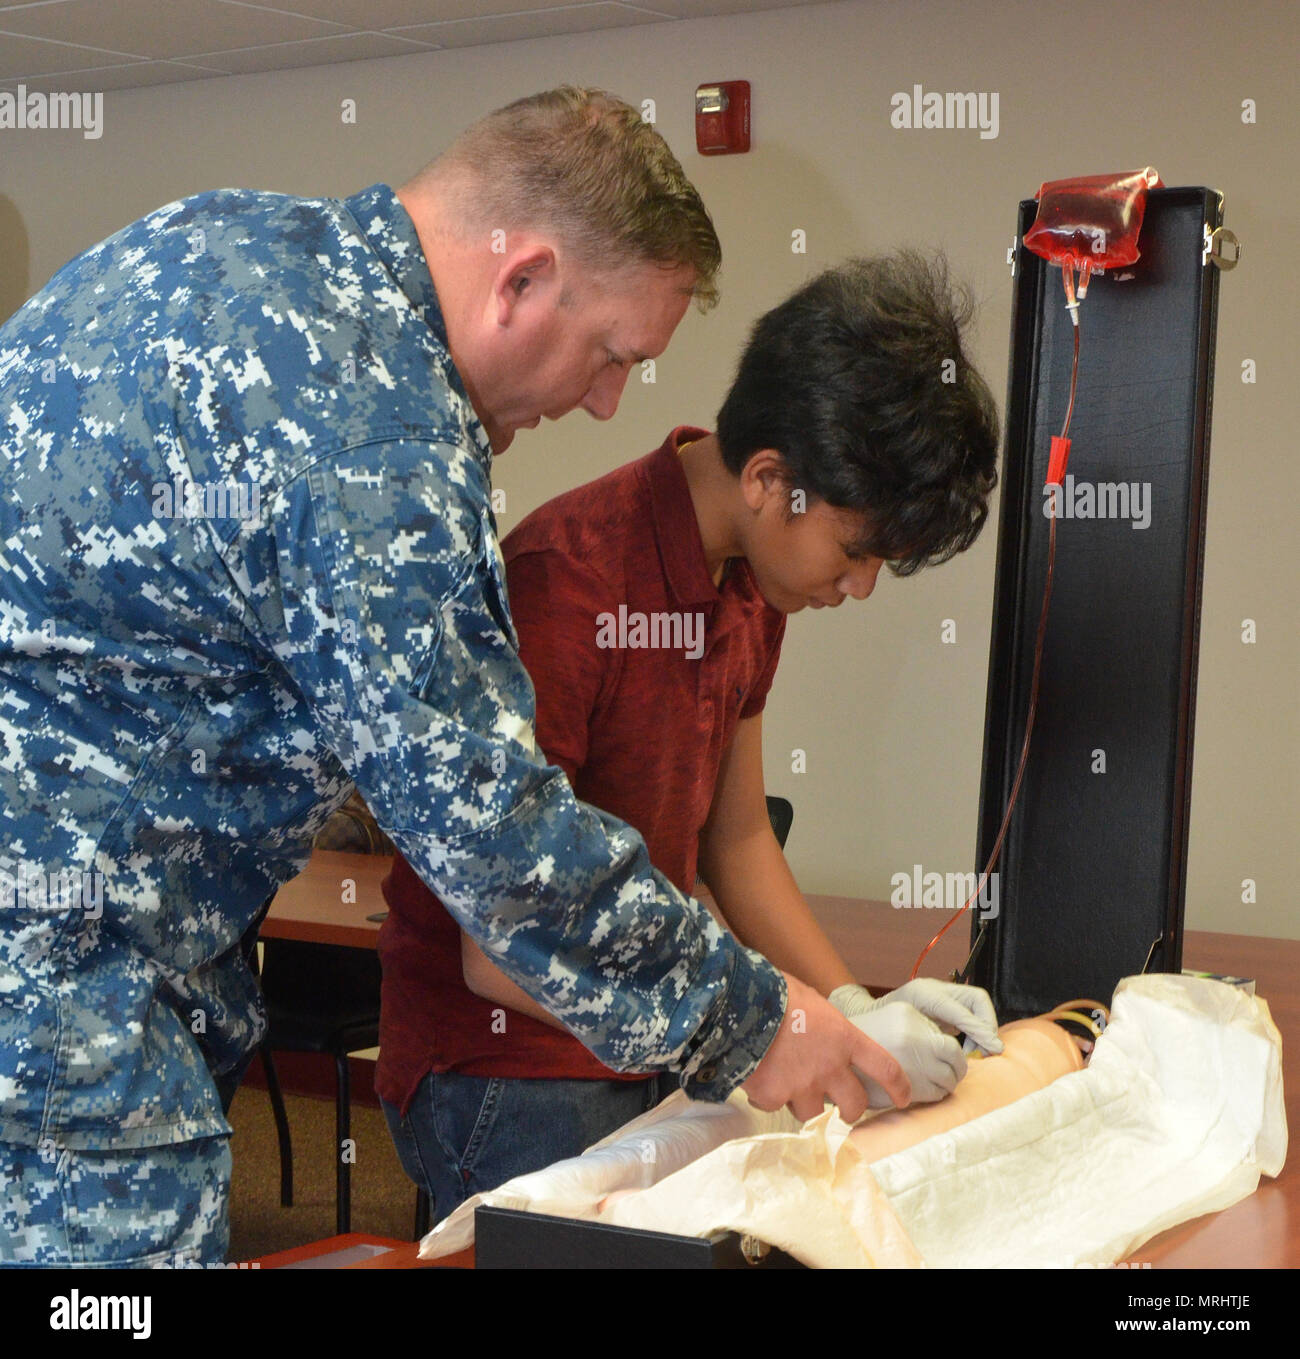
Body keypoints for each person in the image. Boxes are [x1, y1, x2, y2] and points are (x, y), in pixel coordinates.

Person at [0, 86, 908, 1267]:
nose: (604, 399)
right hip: (59, 992)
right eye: (609, 353)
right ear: (520, 277)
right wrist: (760, 1019)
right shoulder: (374, 436)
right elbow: (500, 844)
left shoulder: (216, 238)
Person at [378, 255, 1004, 1222]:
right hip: (512, 1059)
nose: (863, 585)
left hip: (648, 1029)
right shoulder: (567, 582)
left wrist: (852, 1005)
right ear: (768, 480)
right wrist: (780, 1023)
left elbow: (740, 840)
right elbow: (501, 952)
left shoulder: (753, 587)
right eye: (856, 550)